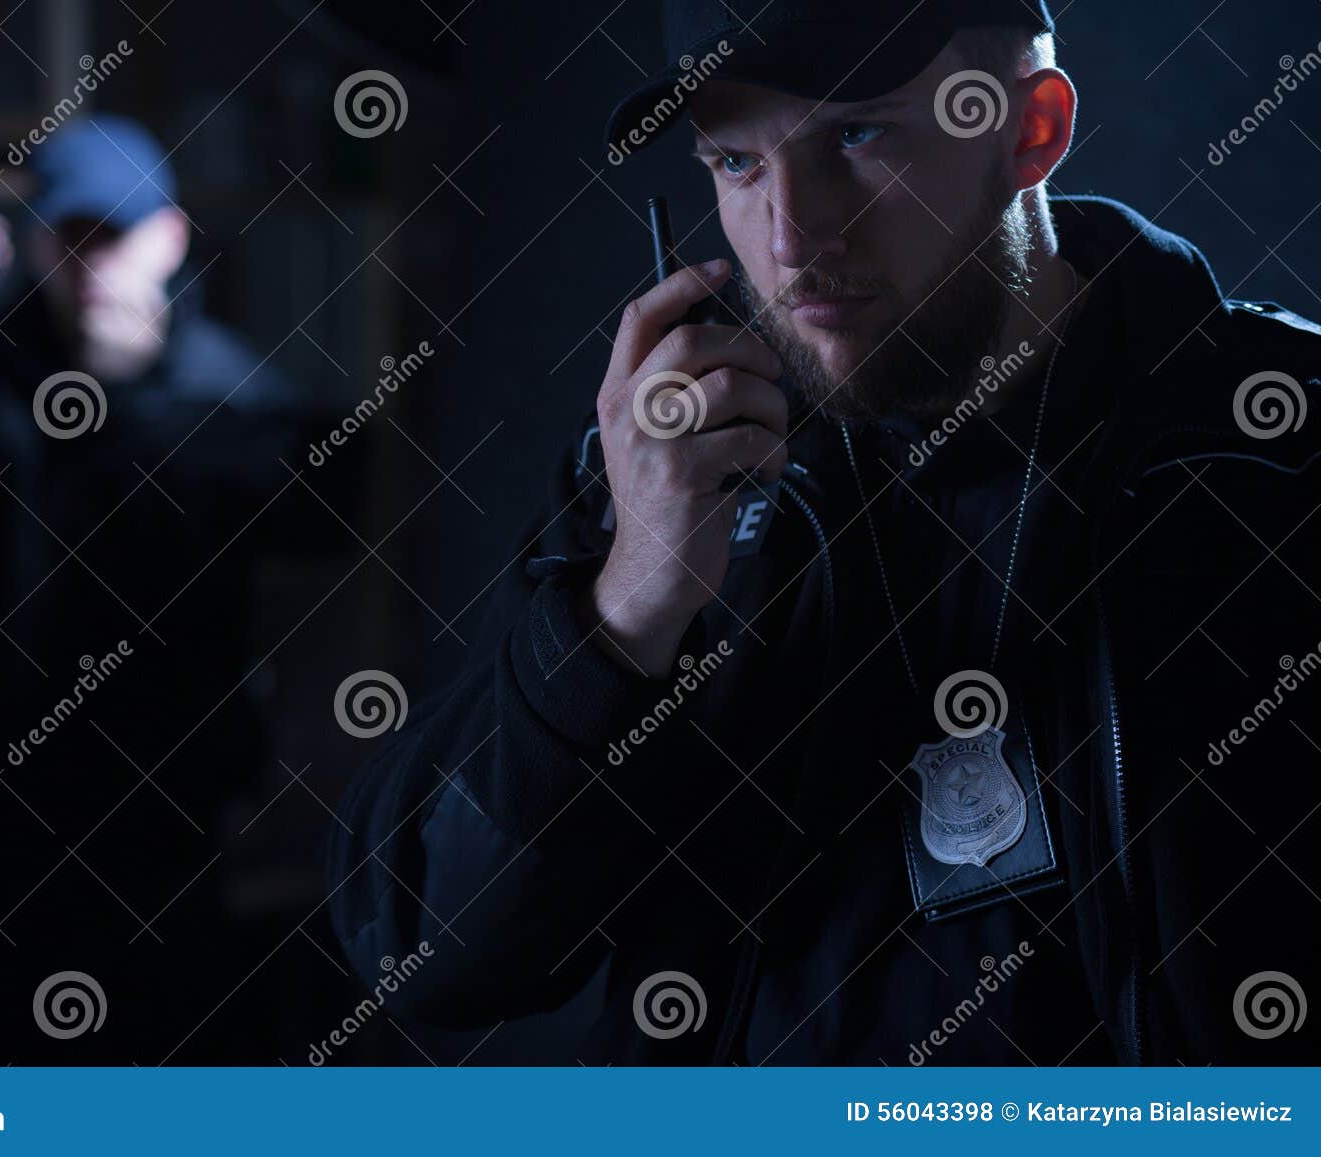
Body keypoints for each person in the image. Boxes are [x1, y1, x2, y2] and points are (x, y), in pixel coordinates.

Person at [328, 1, 1320, 1064]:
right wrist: (627, 607)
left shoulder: (1267, 451)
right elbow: (425, 955)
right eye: (737, 165)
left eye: (857, 135)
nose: (793, 239)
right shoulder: (670, 471)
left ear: (1029, 129)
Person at [0, 116, 321, 1063]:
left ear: (171, 237)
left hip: (166, 799)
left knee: (160, 1050)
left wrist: (132, 395)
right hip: (0, 787)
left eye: (116, 234)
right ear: (36, 243)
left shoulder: (227, 392)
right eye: (69, 235)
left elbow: (302, 525)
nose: (91, 263)